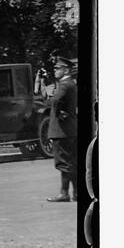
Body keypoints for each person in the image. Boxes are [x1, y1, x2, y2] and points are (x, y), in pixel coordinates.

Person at [46, 55, 78, 202]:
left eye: (57, 68)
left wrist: (58, 112)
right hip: (70, 129)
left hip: (62, 131)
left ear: (66, 70)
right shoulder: (71, 84)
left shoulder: (64, 85)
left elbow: (56, 100)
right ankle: (76, 193)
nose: (55, 71)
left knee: (63, 162)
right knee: (72, 162)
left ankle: (64, 193)